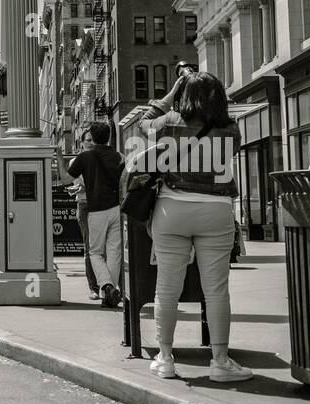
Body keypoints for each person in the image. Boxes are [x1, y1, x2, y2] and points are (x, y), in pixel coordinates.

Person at [138, 71, 252, 383]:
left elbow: (144, 124)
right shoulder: (230, 129)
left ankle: (165, 358)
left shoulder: (170, 122)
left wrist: (171, 93)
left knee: (167, 287)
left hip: (171, 209)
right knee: (216, 290)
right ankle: (220, 361)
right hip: (215, 210)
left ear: (183, 94)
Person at [66, 122, 124, 308]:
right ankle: (111, 293)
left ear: (93, 136)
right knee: (114, 252)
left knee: (95, 252)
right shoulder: (119, 156)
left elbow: (67, 176)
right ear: (108, 137)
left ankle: (106, 286)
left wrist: (59, 158)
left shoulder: (85, 156)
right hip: (117, 208)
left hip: (97, 209)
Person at [68, 130, 100, 301]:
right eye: (88, 140)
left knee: (107, 248)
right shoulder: (76, 161)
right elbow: (79, 184)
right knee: (90, 248)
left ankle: (107, 285)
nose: (91, 143)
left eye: (93, 140)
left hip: (103, 205)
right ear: (81, 143)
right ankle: (94, 288)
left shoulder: (102, 158)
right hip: (85, 205)